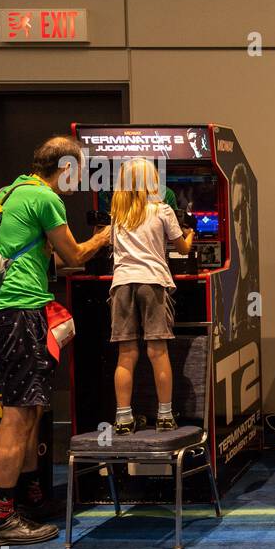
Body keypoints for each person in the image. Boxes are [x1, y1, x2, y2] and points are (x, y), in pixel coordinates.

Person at [0, 135, 111, 546]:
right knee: (17, 413)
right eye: (79, 170)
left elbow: (41, 257)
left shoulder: (7, 191)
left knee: (30, 409)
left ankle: (30, 500)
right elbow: (73, 255)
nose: (80, 178)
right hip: (18, 313)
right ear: (65, 168)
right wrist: (104, 236)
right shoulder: (45, 199)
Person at [108, 158, 194, 434]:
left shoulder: (117, 213)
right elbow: (182, 247)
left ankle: (123, 418)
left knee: (126, 353)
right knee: (157, 351)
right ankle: (165, 416)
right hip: (153, 282)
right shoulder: (162, 209)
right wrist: (191, 234)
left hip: (121, 284)